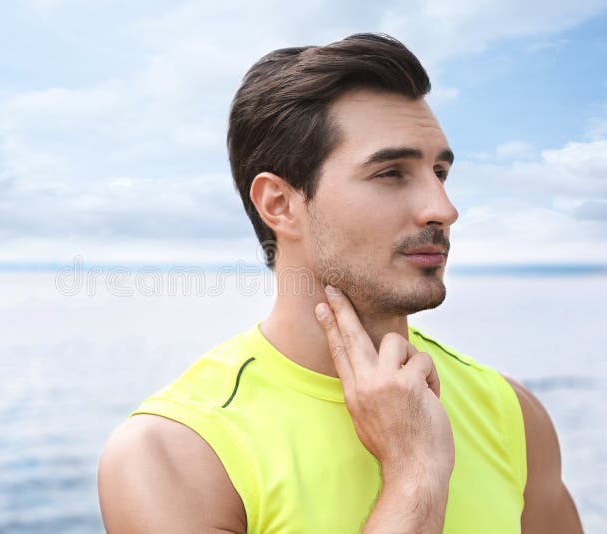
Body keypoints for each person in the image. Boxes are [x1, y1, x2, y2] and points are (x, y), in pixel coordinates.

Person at [97, 33, 583, 533]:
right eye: (391, 172)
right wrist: (415, 474)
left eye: (439, 171)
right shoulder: (176, 454)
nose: (443, 208)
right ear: (280, 205)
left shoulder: (512, 414)